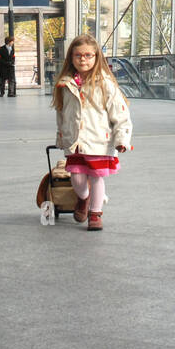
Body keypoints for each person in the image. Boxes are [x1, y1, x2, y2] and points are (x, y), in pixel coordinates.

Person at [53, 34, 133, 231]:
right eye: (78, 55)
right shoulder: (65, 84)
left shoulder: (105, 83)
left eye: (89, 55)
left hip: (99, 140)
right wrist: (62, 137)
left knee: (96, 176)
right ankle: (84, 197)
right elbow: (62, 114)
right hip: (76, 142)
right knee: (77, 178)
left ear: (97, 57)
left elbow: (121, 113)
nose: (83, 59)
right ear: (71, 58)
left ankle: (96, 214)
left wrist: (121, 139)